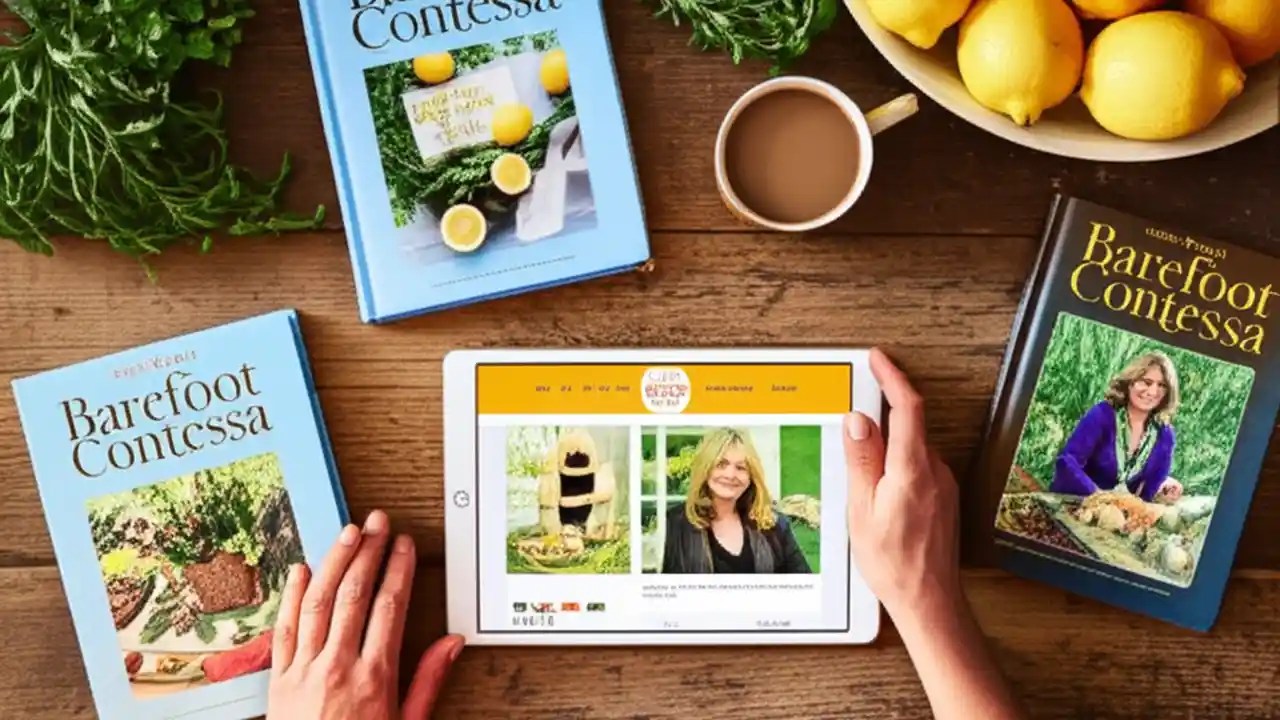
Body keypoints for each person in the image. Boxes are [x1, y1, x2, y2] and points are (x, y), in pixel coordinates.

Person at [268, 349, 1024, 720]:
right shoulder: (668, 526)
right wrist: (926, 604)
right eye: (719, 462)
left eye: (742, 462)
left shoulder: (776, 529)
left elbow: (801, 569)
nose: (732, 472)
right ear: (702, 472)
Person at [660, 427, 810, 574]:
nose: (731, 474)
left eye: (741, 467)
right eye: (721, 464)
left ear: (751, 476)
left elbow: (806, 587)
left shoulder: (774, 525)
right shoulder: (674, 523)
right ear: (705, 469)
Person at [1050, 351, 1183, 504]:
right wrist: (1098, 497)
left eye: (1162, 386)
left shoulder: (1164, 435)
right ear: (1130, 382)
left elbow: (1150, 489)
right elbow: (1067, 462)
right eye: (1146, 382)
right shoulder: (1102, 414)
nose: (1152, 392)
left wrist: (1164, 488)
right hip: (1073, 503)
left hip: (1118, 517)